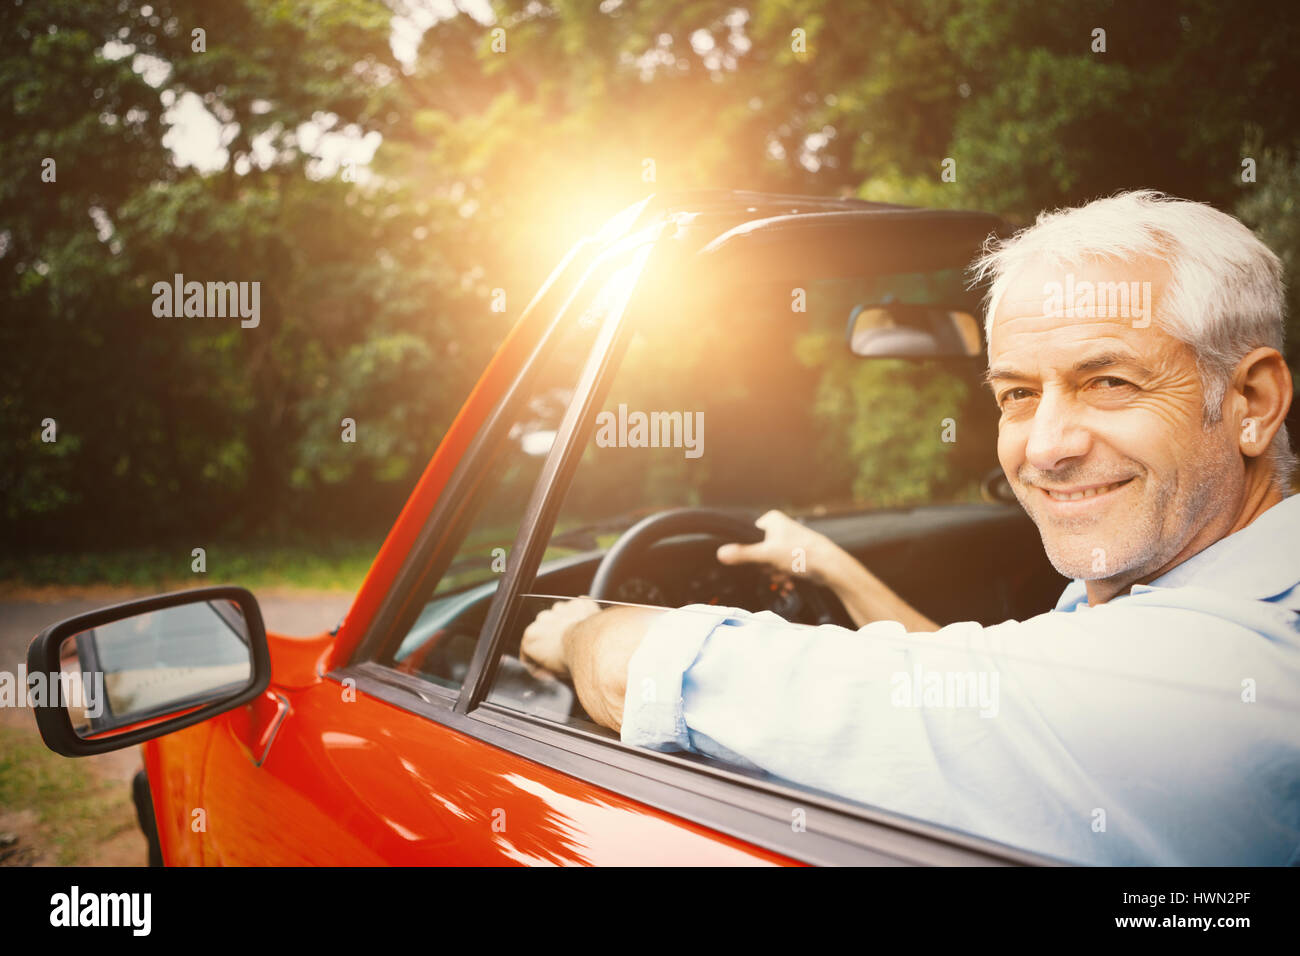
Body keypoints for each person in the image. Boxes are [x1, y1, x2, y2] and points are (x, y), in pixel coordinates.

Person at [520, 190, 1300, 865]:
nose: (1047, 446)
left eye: (1108, 381)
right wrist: (828, 565)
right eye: (1018, 394)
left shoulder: (1217, 671)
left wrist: (582, 636)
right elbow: (978, 683)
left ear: (1252, 403)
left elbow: (690, 679)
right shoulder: (1209, 599)